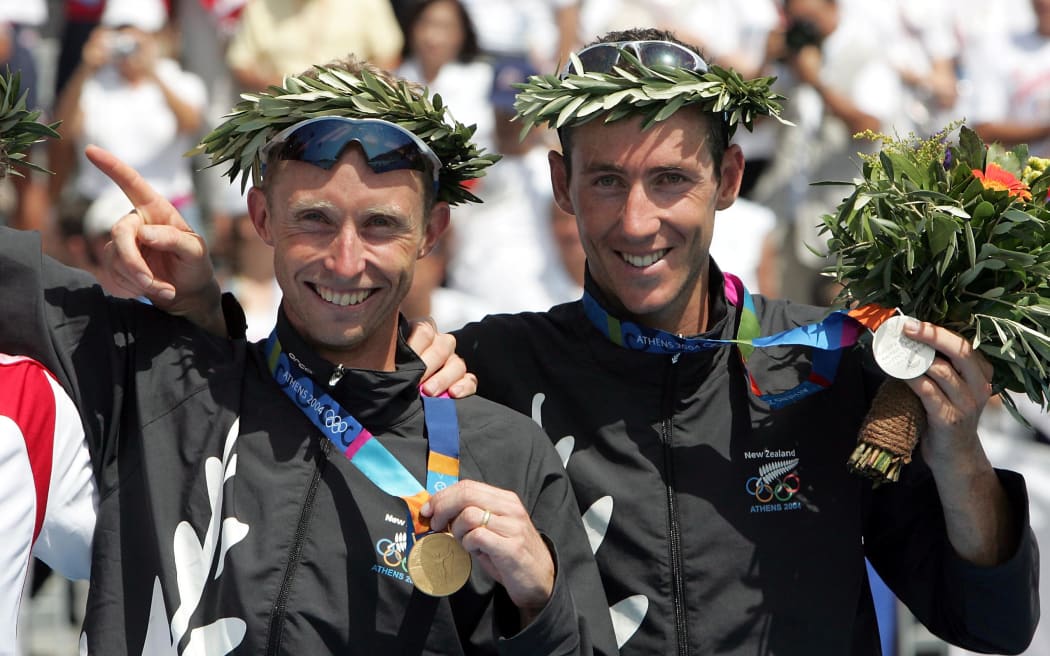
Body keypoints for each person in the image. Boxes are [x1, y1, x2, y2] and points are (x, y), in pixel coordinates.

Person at [105, 29, 1040, 655]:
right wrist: (198, 311)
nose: (638, 222)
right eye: (606, 182)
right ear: (560, 184)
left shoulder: (826, 363)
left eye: (670, 179)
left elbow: (989, 620)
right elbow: (305, 406)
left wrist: (956, 449)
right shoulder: (493, 369)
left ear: (729, 176)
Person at [1, 56, 616, 654]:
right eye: (314, 220)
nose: (346, 261)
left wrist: (543, 602)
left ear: (431, 231)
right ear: (262, 216)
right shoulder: (165, 385)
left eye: (380, 225)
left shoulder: (504, 452)